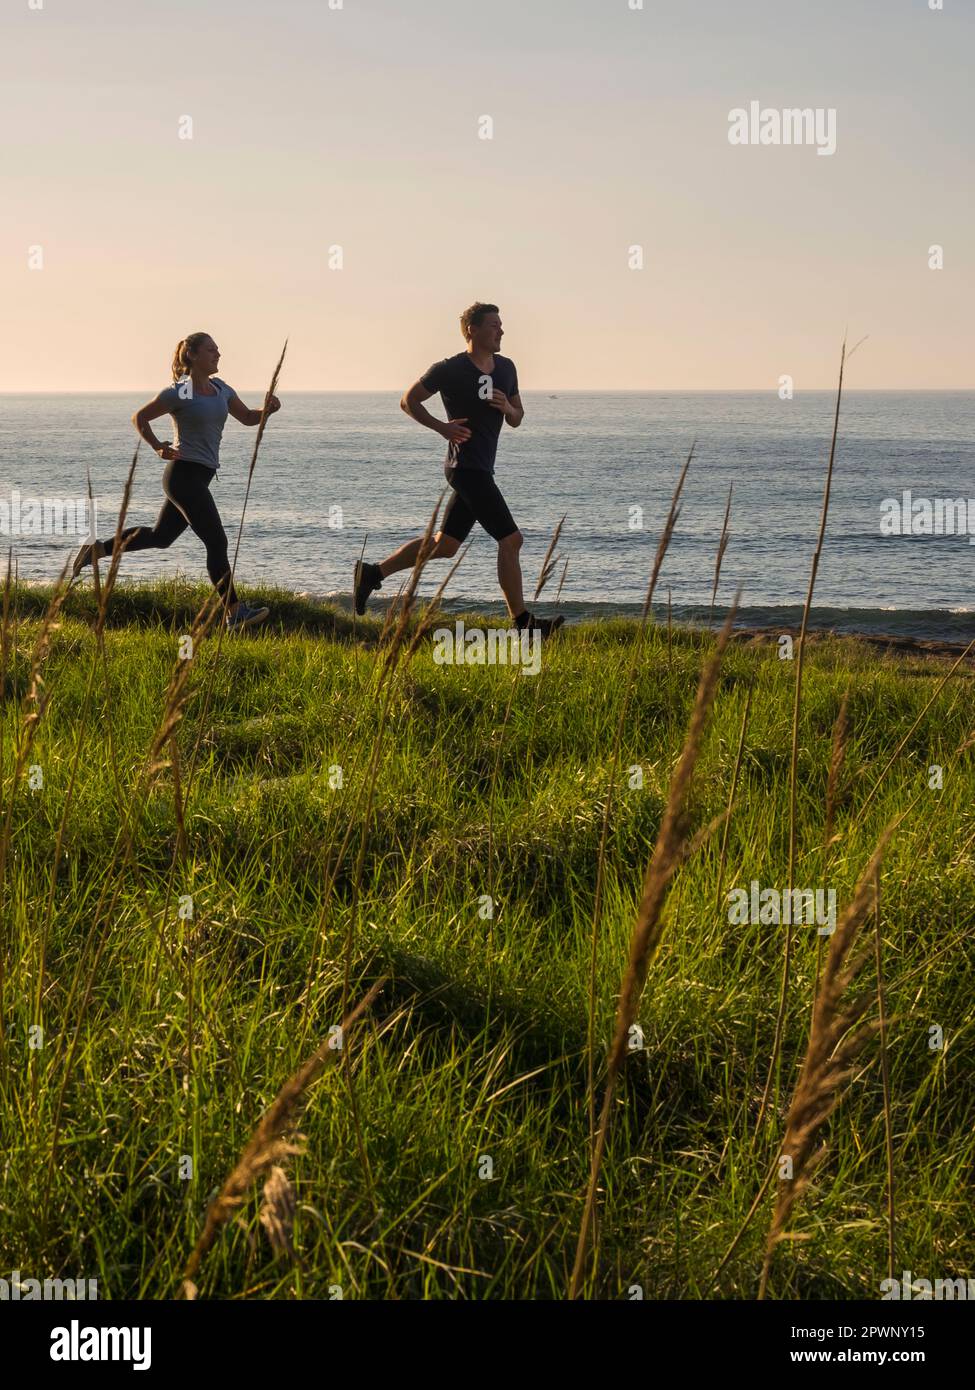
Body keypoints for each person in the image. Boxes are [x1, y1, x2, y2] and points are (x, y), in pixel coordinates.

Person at [353, 302, 563, 635]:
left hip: (482, 468)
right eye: (494, 325)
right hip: (465, 468)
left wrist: (508, 406)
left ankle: (372, 573)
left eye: (501, 325)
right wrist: (442, 427)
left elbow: (518, 418)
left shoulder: (507, 368)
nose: (501, 331)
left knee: (445, 545)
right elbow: (409, 400)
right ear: (472, 330)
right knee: (512, 541)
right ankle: (523, 623)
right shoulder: (449, 369)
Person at [73, 332, 279, 630]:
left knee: (161, 537)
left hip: (199, 478)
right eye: (211, 349)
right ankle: (234, 612)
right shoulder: (179, 392)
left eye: (218, 349)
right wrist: (158, 446)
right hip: (183, 477)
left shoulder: (221, 389)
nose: (218, 354)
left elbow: (248, 417)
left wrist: (267, 411)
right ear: (193, 355)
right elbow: (139, 418)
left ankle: (97, 550)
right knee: (217, 541)